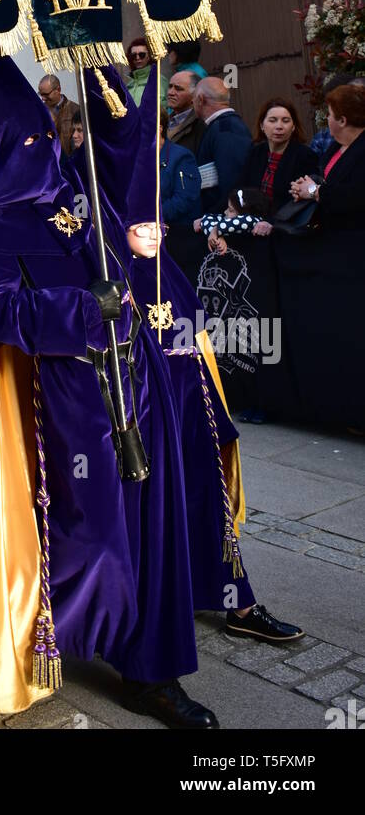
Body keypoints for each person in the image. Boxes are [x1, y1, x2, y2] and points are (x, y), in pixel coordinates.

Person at [0, 0, 221, 730]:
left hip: (141, 378)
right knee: (97, 539)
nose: (33, 146)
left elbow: (124, 149)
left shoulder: (80, 182)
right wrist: (76, 312)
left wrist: (101, 53)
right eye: (18, 137)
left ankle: (154, 669)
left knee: (155, 528)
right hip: (75, 400)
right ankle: (25, 631)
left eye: (36, 135)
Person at [86, 63, 302, 647]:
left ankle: (236, 601)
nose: (155, 233)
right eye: (141, 226)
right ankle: (149, 611)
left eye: (158, 223)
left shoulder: (164, 266)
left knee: (207, 505)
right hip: (139, 429)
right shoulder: (105, 276)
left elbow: (194, 339)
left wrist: (210, 408)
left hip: (189, 418)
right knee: (150, 524)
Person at [289, 83, 365, 230]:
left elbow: (355, 194)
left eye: (329, 114)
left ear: (342, 121)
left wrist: (313, 191)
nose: (327, 118)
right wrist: (305, 186)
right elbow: (328, 179)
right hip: (332, 231)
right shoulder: (337, 145)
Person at [238, 98, 318, 212]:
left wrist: (269, 223)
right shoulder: (256, 152)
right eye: (272, 120)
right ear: (262, 125)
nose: (279, 126)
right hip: (253, 220)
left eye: (285, 121)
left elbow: (299, 201)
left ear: (293, 126)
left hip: (285, 224)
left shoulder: (305, 156)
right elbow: (239, 187)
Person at [193, 78, 252, 212]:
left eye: (193, 99)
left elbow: (232, 181)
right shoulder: (221, 127)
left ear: (200, 99)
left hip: (223, 218)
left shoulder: (227, 129)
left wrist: (215, 216)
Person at [194, 187, 273, 255]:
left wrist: (216, 230)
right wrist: (217, 238)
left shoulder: (255, 221)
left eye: (231, 210)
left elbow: (244, 221)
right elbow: (208, 218)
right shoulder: (225, 220)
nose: (225, 212)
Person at [158, 108, 201, 224]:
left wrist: (151, 215)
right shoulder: (139, 157)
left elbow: (184, 199)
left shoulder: (181, 157)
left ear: (159, 128)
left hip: (176, 232)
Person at [37, 74, 78, 156]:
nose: (43, 98)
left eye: (46, 94)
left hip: (68, 165)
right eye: (41, 94)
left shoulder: (75, 110)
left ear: (58, 90)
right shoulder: (40, 111)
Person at [166, 70, 205, 154]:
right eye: (170, 87)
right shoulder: (163, 121)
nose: (170, 92)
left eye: (178, 89)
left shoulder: (201, 125)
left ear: (194, 95)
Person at [125, 38, 168, 107]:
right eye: (133, 55)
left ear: (149, 56)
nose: (137, 58)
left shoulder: (158, 80)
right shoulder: (130, 84)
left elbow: (163, 107)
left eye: (142, 55)